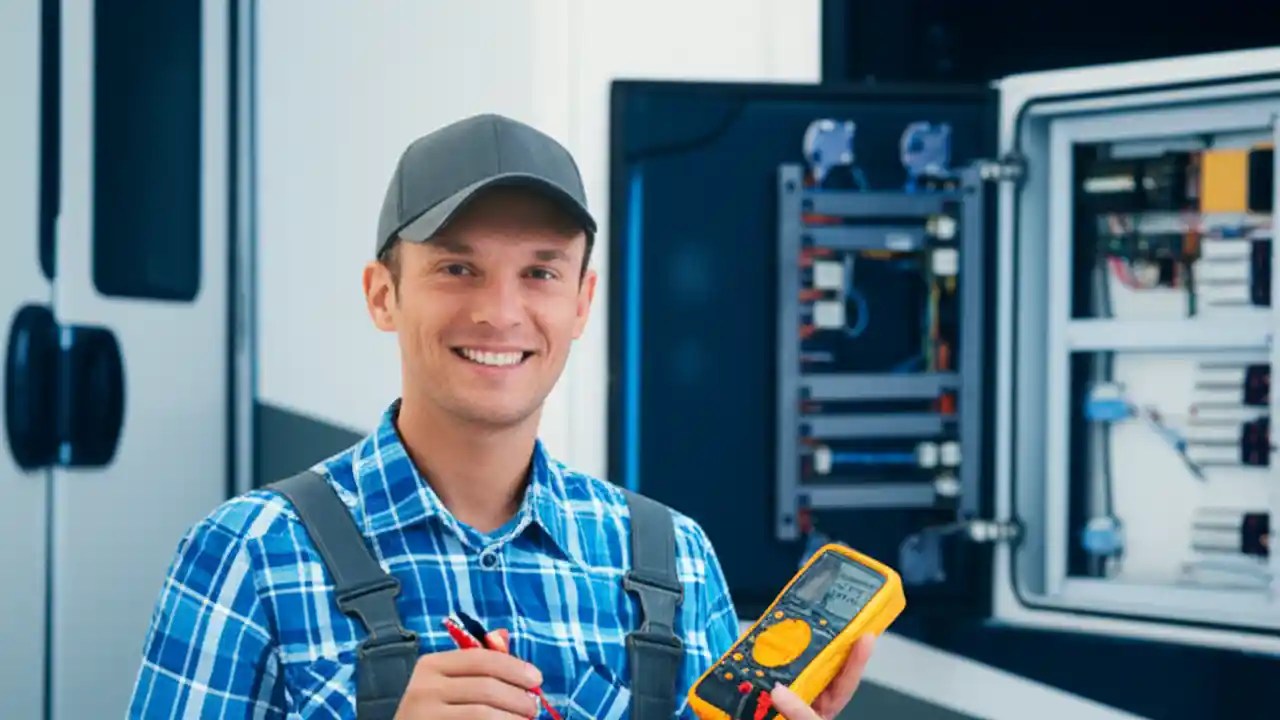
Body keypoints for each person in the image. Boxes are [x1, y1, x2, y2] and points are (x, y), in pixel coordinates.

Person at [127, 113, 875, 719]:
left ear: (581, 303)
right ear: (383, 294)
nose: (500, 313)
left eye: (540, 273)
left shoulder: (673, 561)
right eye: (458, 269)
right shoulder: (249, 555)